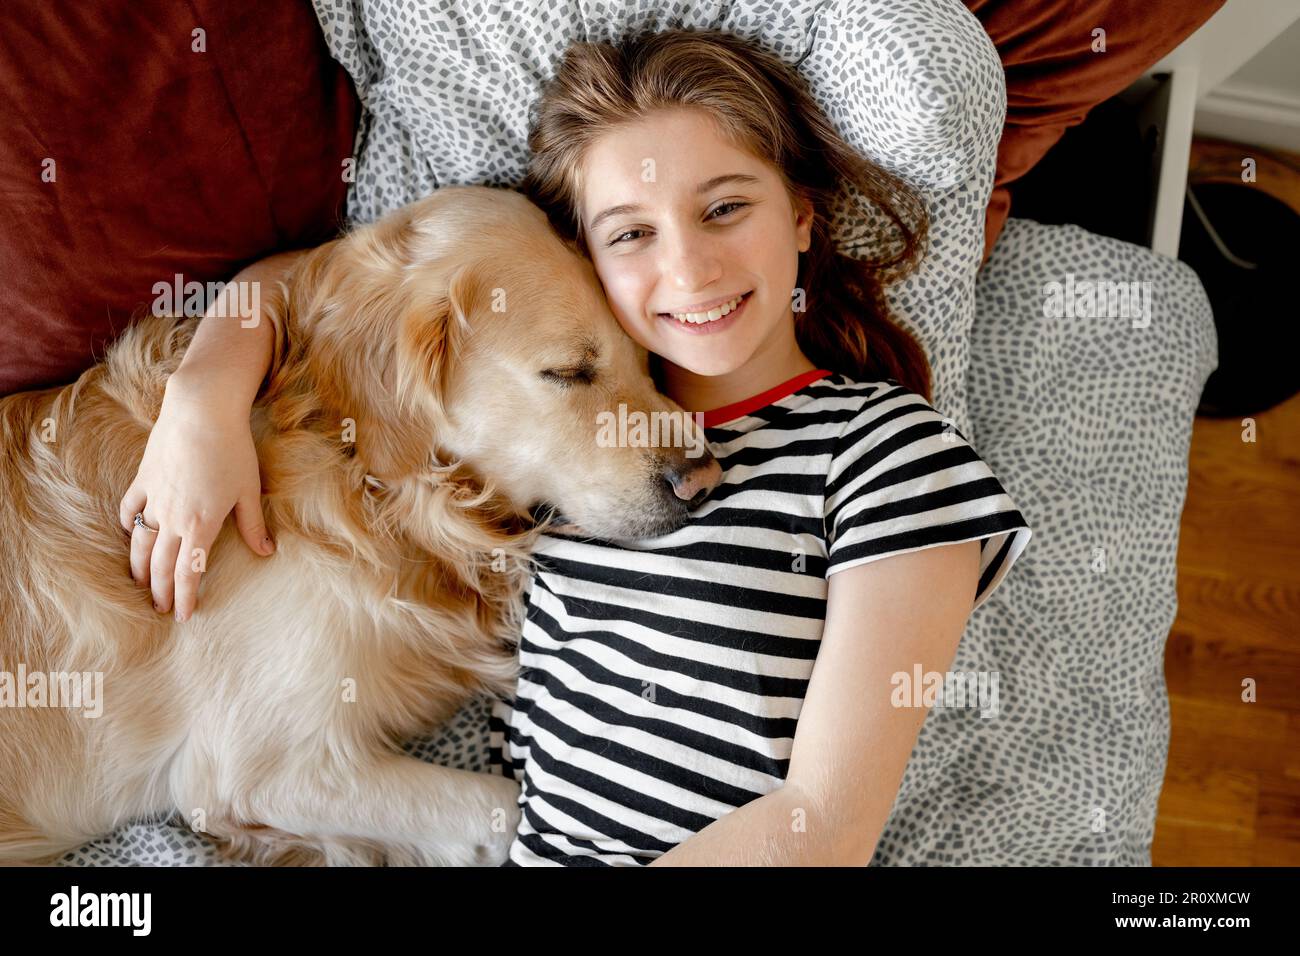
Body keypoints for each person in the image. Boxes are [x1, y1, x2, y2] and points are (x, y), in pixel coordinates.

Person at [121, 27, 1031, 866]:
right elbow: (342, 290)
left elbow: (826, 824)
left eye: (725, 208)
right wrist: (202, 396)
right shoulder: (545, 462)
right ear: (586, 264)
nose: (689, 268)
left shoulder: (888, 451)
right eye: (633, 233)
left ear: (801, 214)